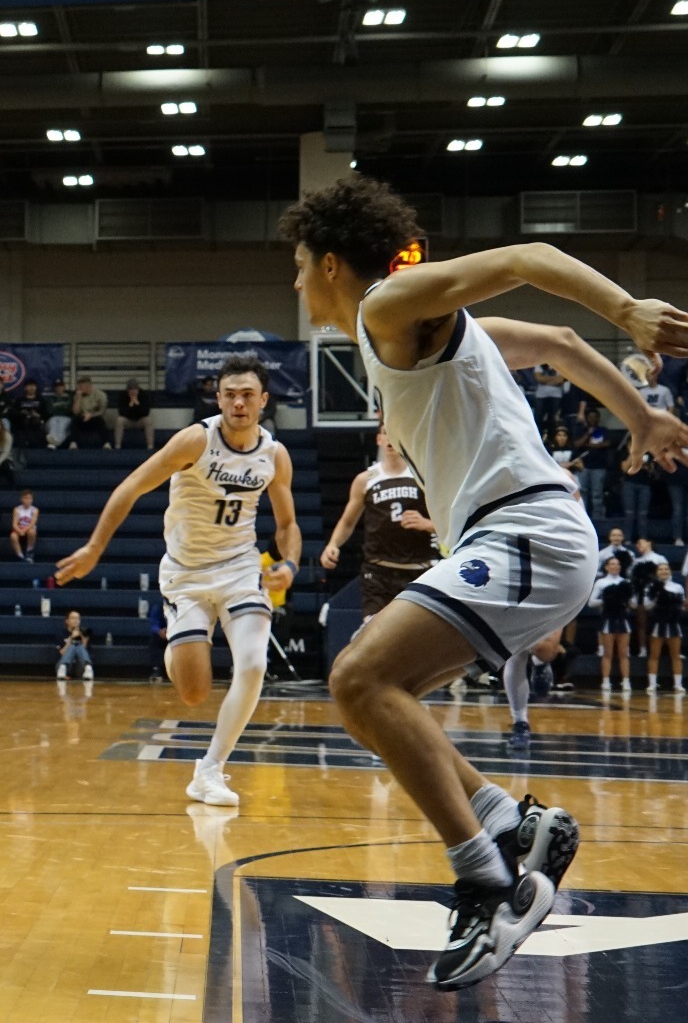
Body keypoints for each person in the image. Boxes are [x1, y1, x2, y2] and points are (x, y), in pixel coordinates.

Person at [280, 175, 686, 990]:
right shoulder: (429, 330)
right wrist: (638, 415)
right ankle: (518, 822)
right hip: (526, 536)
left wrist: (628, 314)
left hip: (525, 530)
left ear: (331, 264)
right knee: (371, 697)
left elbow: (529, 256)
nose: (294, 283)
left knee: (359, 677)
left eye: (298, 267)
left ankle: (489, 880)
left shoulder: (383, 305)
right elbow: (562, 347)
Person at [56, 355, 301, 811]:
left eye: (247, 394)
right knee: (194, 692)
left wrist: (290, 562)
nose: (238, 403)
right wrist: (93, 548)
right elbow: (130, 486)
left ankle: (210, 768)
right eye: (229, 394)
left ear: (263, 400)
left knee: (252, 664)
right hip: (186, 575)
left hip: (240, 569)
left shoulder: (274, 455)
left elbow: (287, 523)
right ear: (218, 398)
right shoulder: (196, 440)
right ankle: (180, 635)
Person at [321, 428, 442, 620]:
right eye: (386, 433)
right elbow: (347, 521)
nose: (390, 438)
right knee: (373, 632)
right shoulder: (365, 479)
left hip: (418, 569)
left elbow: (448, 518)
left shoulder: (422, 476)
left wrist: (427, 524)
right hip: (378, 572)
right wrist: (333, 544)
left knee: (415, 640)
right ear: (379, 439)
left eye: (394, 432)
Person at [592, 555, 634, 693]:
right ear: (606, 567)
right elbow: (591, 602)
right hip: (608, 618)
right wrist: (606, 600)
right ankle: (605, 681)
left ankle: (626, 681)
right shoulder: (601, 583)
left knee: (623, 652)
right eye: (612, 564)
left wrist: (624, 600)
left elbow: (633, 603)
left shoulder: (626, 582)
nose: (615, 566)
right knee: (607, 653)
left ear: (620, 567)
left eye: (617, 564)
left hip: (622, 619)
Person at [642, 561, 685, 693]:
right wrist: (656, 596)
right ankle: (652, 684)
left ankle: (678, 684)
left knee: (675, 655)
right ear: (656, 572)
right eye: (660, 569)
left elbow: (682, 606)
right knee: (654, 654)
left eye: (666, 569)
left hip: (673, 623)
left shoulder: (677, 587)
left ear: (670, 571)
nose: (664, 571)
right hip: (658, 622)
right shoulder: (650, 586)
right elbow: (646, 606)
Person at [115, 380, 154, 450]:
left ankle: (150, 446)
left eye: (135, 389)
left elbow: (146, 412)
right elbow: (121, 412)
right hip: (128, 420)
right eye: (131, 390)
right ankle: (117, 445)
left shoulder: (143, 395)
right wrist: (130, 405)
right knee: (119, 420)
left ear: (138, 390)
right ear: (127, 391)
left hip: (140, 420)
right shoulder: (123, 396)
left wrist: (137, 404)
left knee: (148, 420)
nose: (133, 392)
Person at [55, 609, 93, 680]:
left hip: (80, 666)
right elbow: (62, 653)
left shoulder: (84, 633)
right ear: (67, 621)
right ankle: (63, 668)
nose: (76, 620)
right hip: (66, 666)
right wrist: (71, 638)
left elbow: (85, 652)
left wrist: (83, 639)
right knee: (72, 646)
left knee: (79, 646)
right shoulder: (61, 634)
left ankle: (88, 667)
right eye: (73, 618)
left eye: (78, 618)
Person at [9, 489, 40, 562]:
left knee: (32, 532)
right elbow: (14, 524)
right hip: (19, 528)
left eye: (30, 498)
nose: (28, 500)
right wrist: (19, 530)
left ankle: (29, 552)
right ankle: (20, 555)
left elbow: (32, 523)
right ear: (21, 499)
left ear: (32, 500)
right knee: (13, 536)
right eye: (26, 498)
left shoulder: (35, 510)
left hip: (28, 528)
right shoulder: (17, 509)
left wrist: (24, 530)